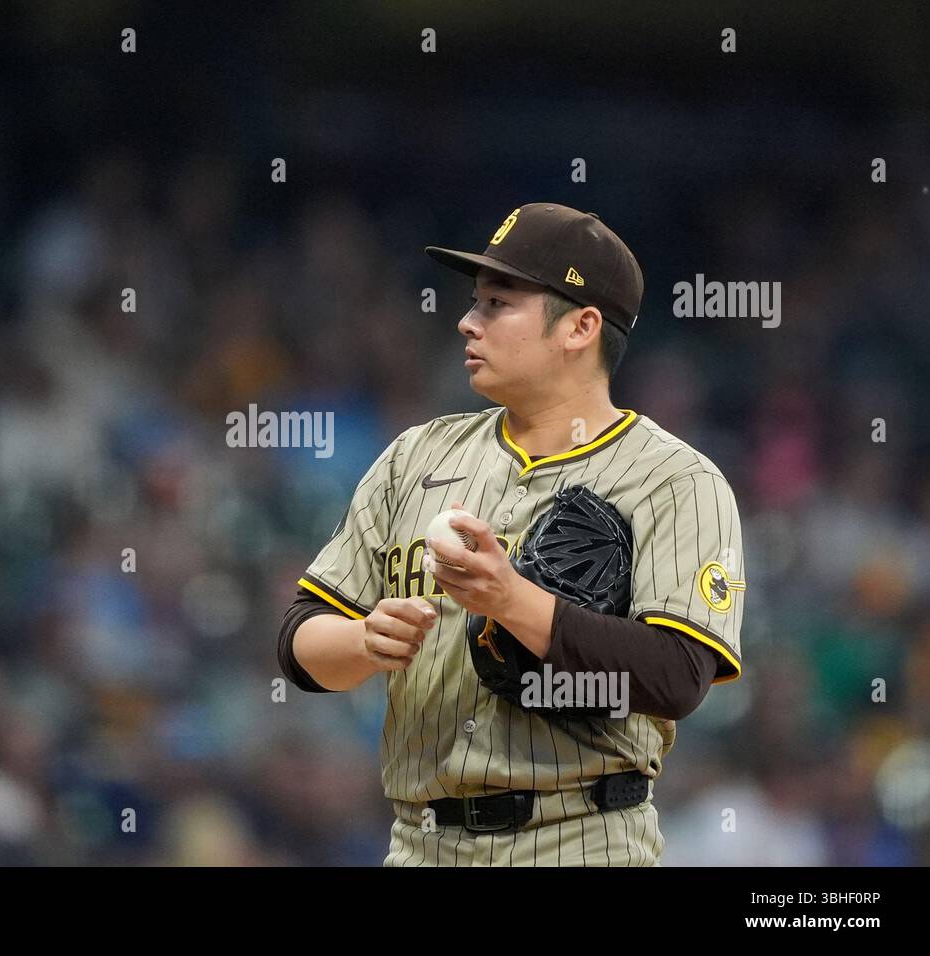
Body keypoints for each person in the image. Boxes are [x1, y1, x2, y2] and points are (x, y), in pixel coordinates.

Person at [276, 203, 746, 866]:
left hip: (582, 838)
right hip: (420, 844)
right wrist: (361, 639)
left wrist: (513, 603)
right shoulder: (415, 457)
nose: (468, 321)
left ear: (580, 326)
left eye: (499, 303)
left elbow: (679, 675)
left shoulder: (676, 479)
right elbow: (298, 642)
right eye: (475, 302)